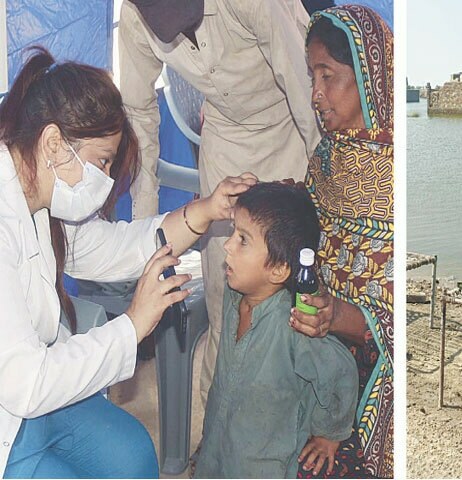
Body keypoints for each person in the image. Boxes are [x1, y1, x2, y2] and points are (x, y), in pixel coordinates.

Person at [0, 48, 255, 478]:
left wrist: (206, 210)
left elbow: (110, 246)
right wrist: (132, 326)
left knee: (133, 454)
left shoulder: (38, 200)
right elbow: (26, 382)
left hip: (37, 399)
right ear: (53, 143)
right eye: (101, 161)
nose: (104, 180)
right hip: (18, 404)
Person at [118, 0, 322, 411]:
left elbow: (306, 92)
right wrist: (150, 236)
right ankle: (218, 422)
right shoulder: (135, 19)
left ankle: (294, 423)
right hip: (226, 138)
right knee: (223, 287)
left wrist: (322, 189)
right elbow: (138, 114)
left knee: (296, 281)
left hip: (292, 125)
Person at [289, 5, 394, 477]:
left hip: (373, 371)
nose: (315, 94)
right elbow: (311, 247)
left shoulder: (394, 175)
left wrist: (340, 317)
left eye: (327, 76)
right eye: (312, 77)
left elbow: (392, 320)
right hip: (317, 346)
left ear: (369, 78)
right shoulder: (326, 158)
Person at [194, 182, 357, 478]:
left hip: (263, 463)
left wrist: (328, 433)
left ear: (279, 269)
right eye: (233, 232)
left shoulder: (293, 325)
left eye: (243, 240)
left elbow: (341, 370)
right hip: (219, 446)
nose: (228, 245)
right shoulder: (235, 296)